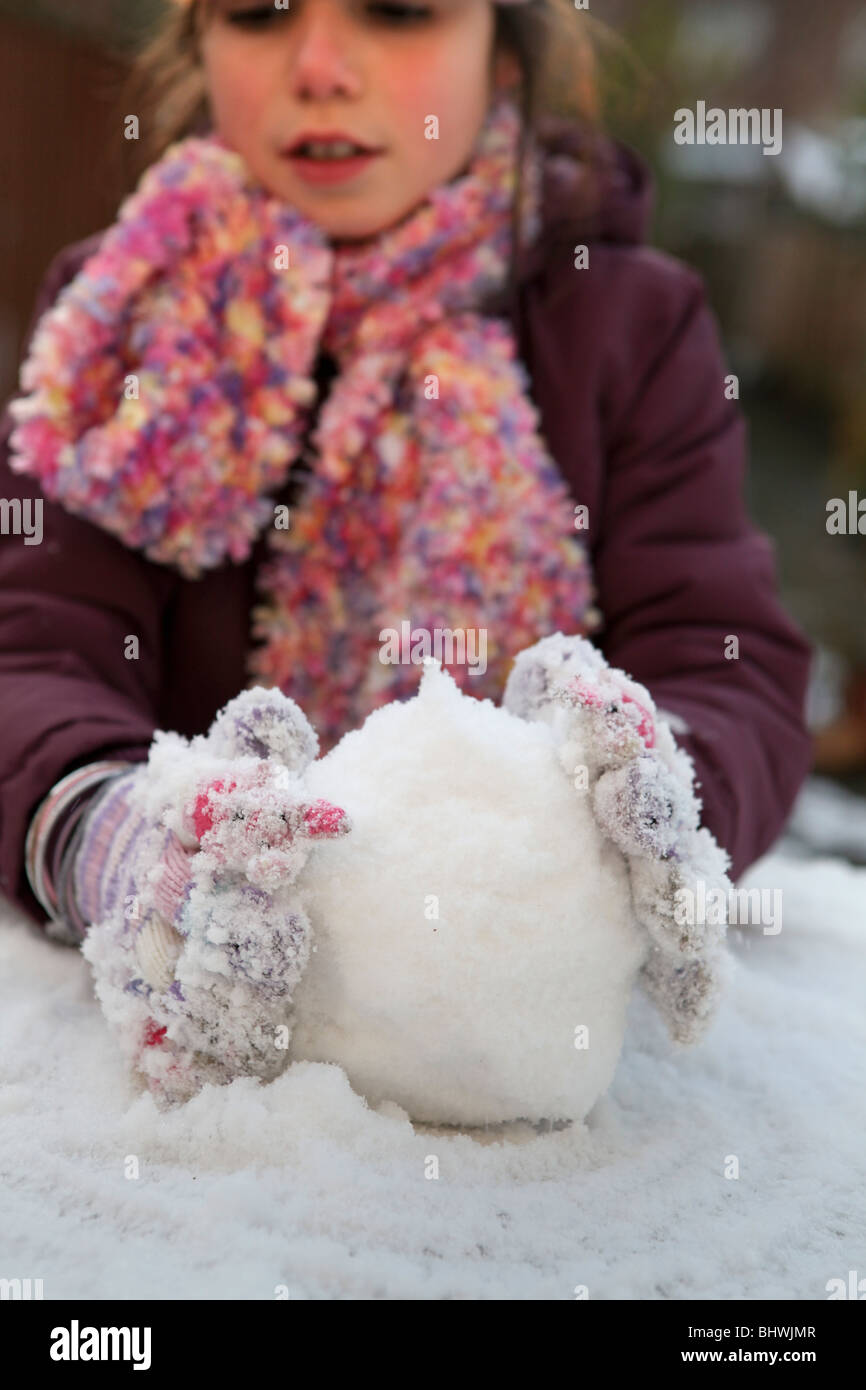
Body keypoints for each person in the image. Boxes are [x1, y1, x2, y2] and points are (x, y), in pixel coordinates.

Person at [0, 0, 813, 1103]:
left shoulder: (630, 326)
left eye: (398, 10)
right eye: (258, 11)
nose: (322, 66)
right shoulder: (117, 324)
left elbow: (727, 666)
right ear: (199, 43)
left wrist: (641, 810)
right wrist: (108, 836)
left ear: (507, 47)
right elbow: (30, 654)